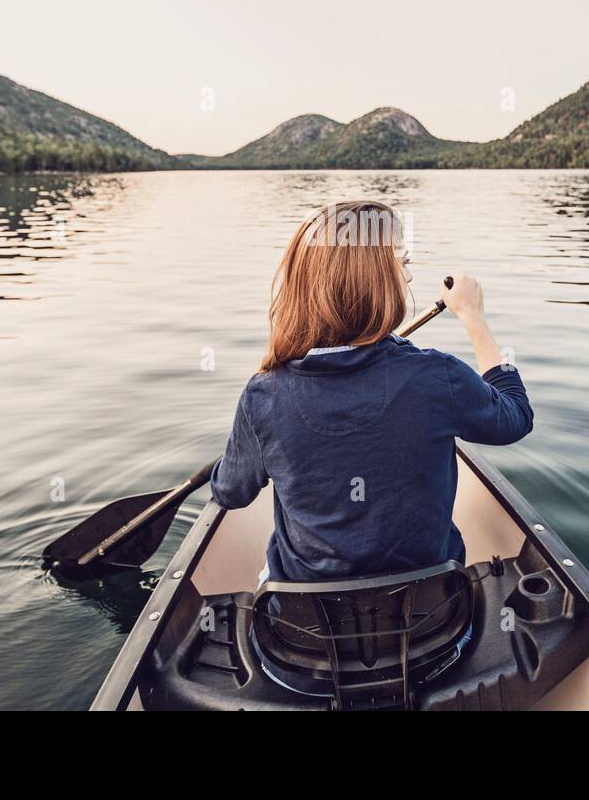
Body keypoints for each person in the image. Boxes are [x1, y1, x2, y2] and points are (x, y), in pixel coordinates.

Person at [210, 200, 533, 583]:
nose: (409, 277)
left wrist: (243, 448)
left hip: (304, 636)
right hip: (437, 626)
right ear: (376, 278)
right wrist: (474, 318)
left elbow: (230, 494)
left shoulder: (262, 397)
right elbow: (515, 417)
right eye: (403, 261)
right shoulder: (436, 376)